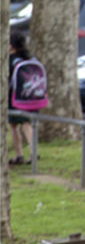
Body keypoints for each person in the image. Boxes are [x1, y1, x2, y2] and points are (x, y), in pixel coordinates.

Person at [8, 26, 39, 164]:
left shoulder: (11, 60)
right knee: (27, 124)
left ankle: (20, 154)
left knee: (14, 125)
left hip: (16, 98)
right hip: (33, 96)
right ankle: (33, 152)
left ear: (10, 45)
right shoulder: (31, 58)